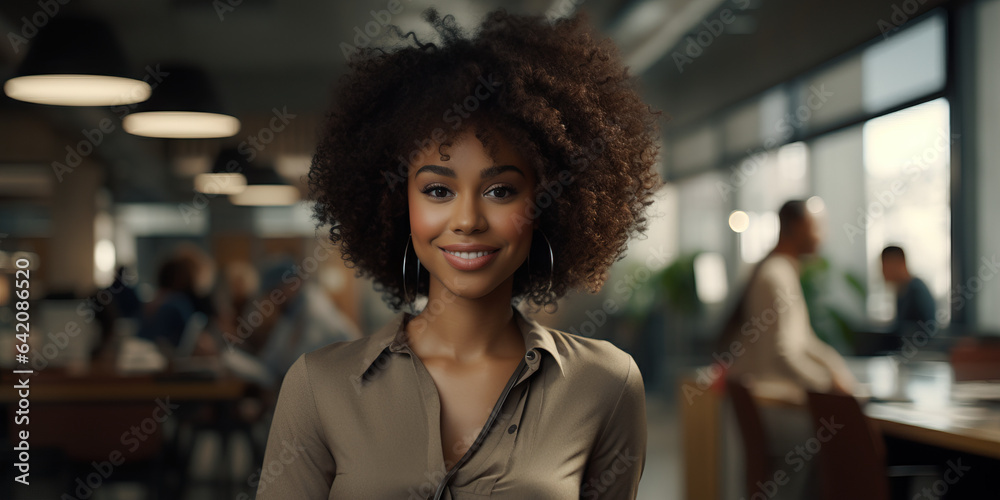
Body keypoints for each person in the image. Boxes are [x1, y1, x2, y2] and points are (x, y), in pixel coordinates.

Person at [256, 7, 662, 499]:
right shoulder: (319, 388)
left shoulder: (605, 384)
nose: (467, 220)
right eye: (437, 191)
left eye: (501, 191)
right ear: (396, 204)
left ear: (550, 202)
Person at [720, 200, 858, 500]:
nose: (822, 235)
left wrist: (838, 374)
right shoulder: (776, 274)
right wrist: (827, 385)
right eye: (817, 227)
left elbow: (804, 340)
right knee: (845, 446)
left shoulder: (781, 269)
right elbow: (784, 352)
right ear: (796, 229)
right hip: (773, 406)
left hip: (771, 403)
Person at [880, 245, 937, 337]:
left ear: (899, 263)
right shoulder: (902, 290)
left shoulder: (917, 290)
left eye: (884, 265)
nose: (882, 271)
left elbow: (926, 331)